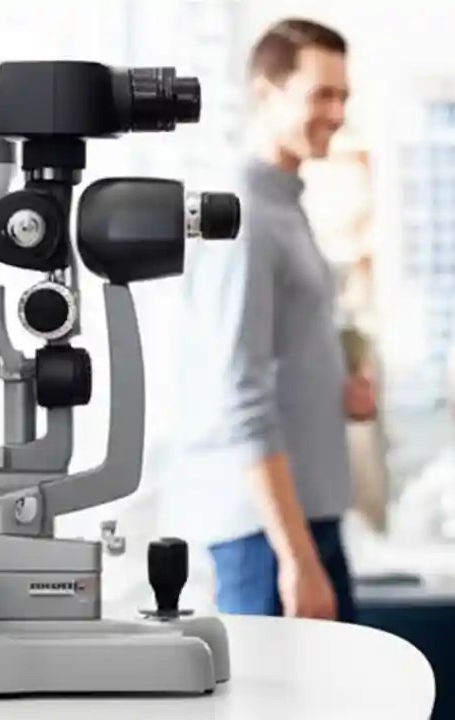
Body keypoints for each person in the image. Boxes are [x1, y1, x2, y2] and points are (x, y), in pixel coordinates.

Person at [165, 18, 375, 622]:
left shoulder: (284, 204)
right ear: (265, 92)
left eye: (343, 96)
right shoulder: (245, 218)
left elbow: (278, 356)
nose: (337, 113)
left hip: (303, 519)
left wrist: (335, 386)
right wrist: (297, 559)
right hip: (267, 535)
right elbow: (242, 393)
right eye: (321, 95)